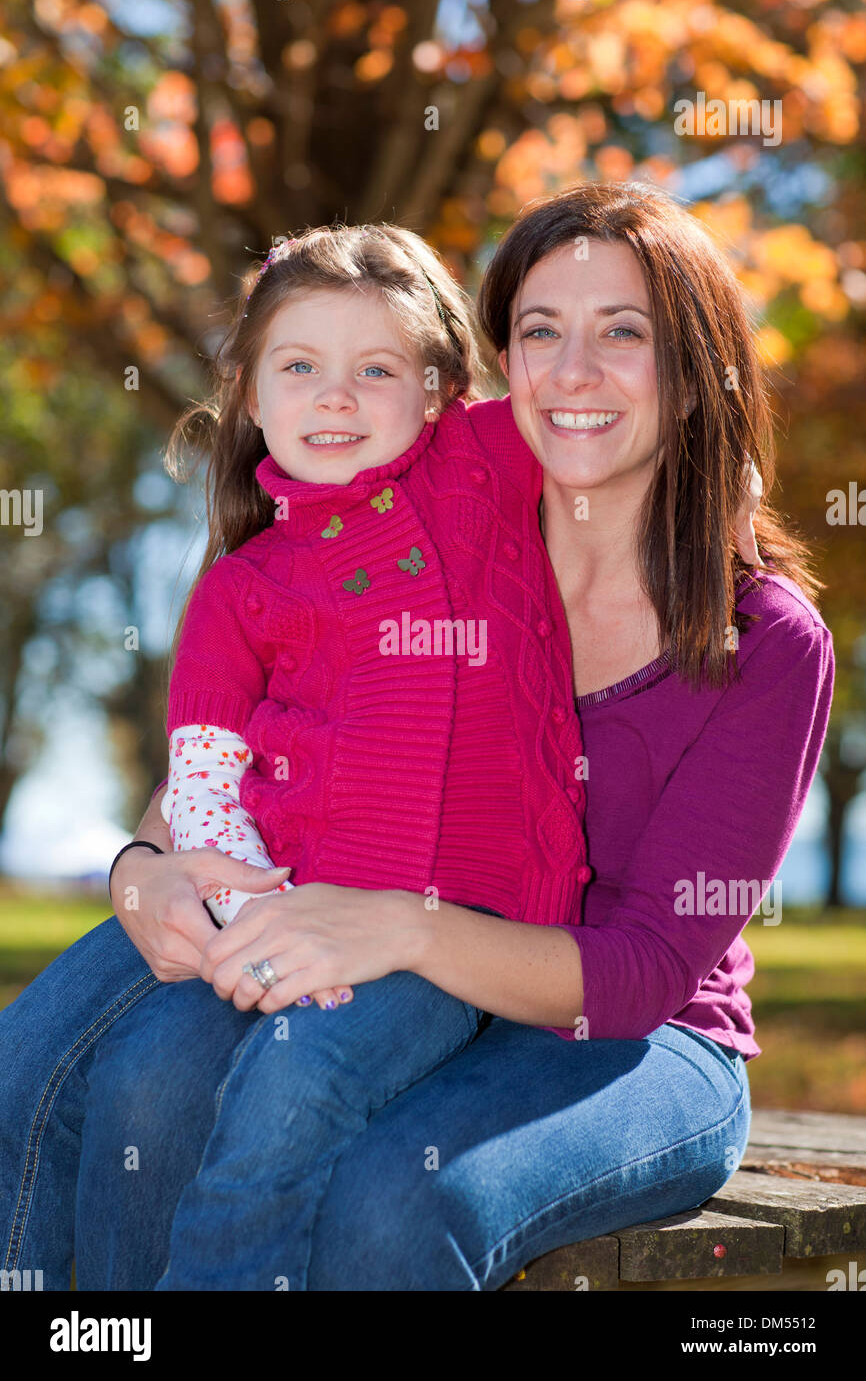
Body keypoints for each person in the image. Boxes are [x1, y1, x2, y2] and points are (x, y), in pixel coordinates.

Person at [0, 182, 831, 1292]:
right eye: (539, 333)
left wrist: (402, 927)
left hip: (637, 1033)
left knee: (396, 1195)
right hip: (367, 927)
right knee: (130, 1072)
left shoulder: (762, 641)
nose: (571, 372)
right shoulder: (456, 514)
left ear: (691, 376)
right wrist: (143, 869)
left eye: (621, 335)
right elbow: (254, 732)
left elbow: (638, 973)